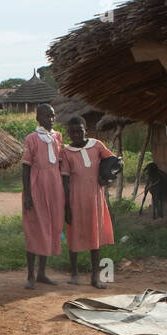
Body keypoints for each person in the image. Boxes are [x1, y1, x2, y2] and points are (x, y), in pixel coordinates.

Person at [61, 116, 116, 288]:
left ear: (86, 130)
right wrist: (66, 206)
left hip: (95, 197)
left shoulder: (97, 145)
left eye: (80, 130)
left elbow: (113, 161)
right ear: (69, 133)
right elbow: (65, 179)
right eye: (73, 131)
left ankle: (95, 277)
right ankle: (75, 273)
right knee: (74, 234)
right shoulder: (66, 152)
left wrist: (107, 177)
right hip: (75, 198)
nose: (76, 134)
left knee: (95, 236)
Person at [20, 104, 65, 289]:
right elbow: (25, 167)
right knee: (35, 229)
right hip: (37, 186)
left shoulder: (57, 137)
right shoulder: (31, 139)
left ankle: (42, 273)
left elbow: (61, 164)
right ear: (38, 118)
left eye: (53, 116)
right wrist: (28, 194)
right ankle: (30, 275)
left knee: (50, 228)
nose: (51, 119)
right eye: (47, 116)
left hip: (55, 187)